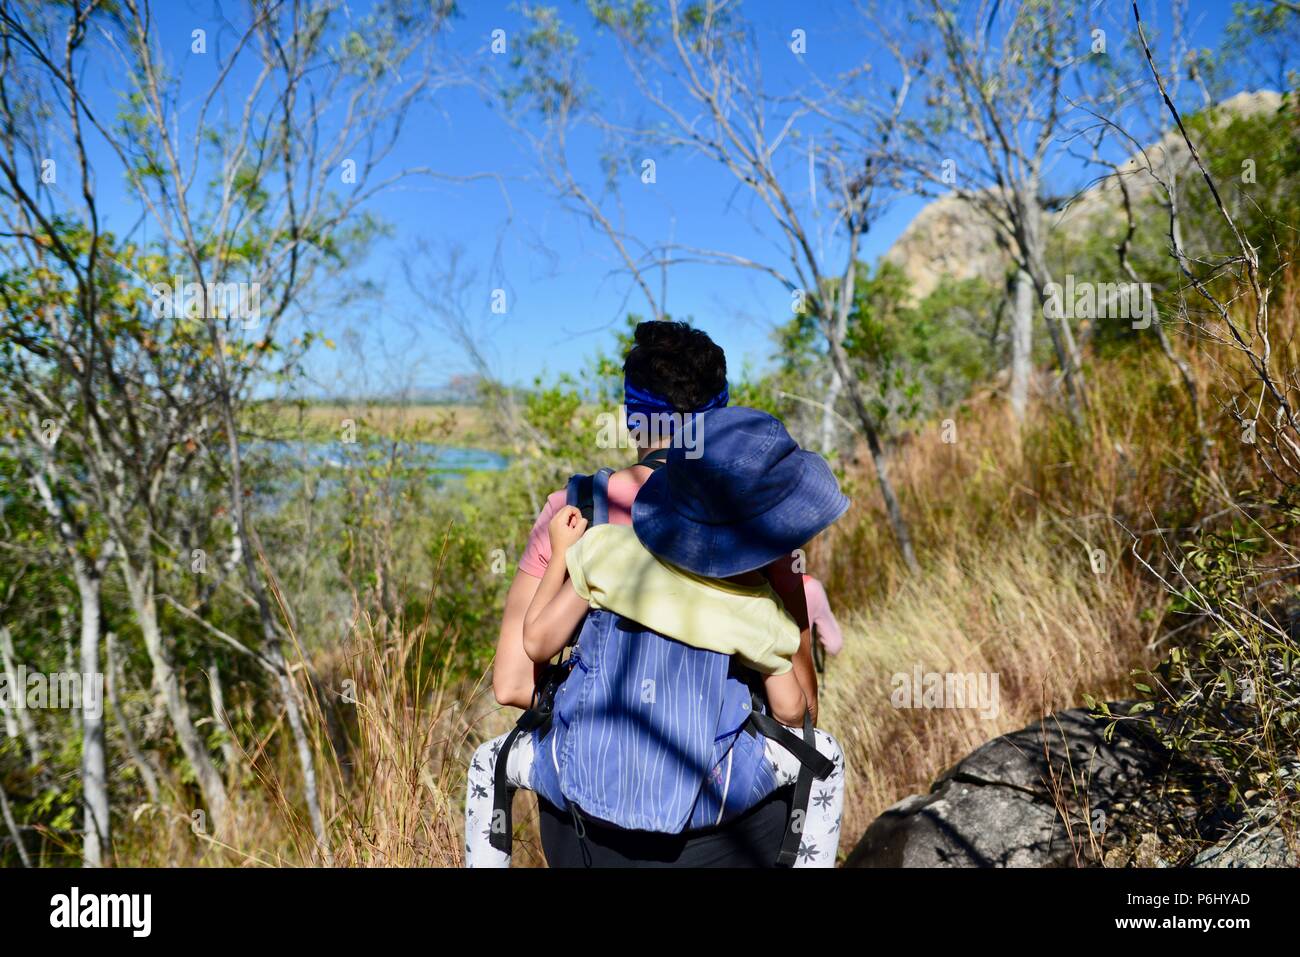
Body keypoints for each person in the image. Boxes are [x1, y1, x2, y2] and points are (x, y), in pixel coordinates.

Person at [484, 321, 837, 866]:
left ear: (631, 416)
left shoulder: (577, 513)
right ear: (721, 418)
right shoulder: (758, 525)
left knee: (492, 761)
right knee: (825, 756)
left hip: (583, 817)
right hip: (723, 821)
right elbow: (801, 708)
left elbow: (511, 684)